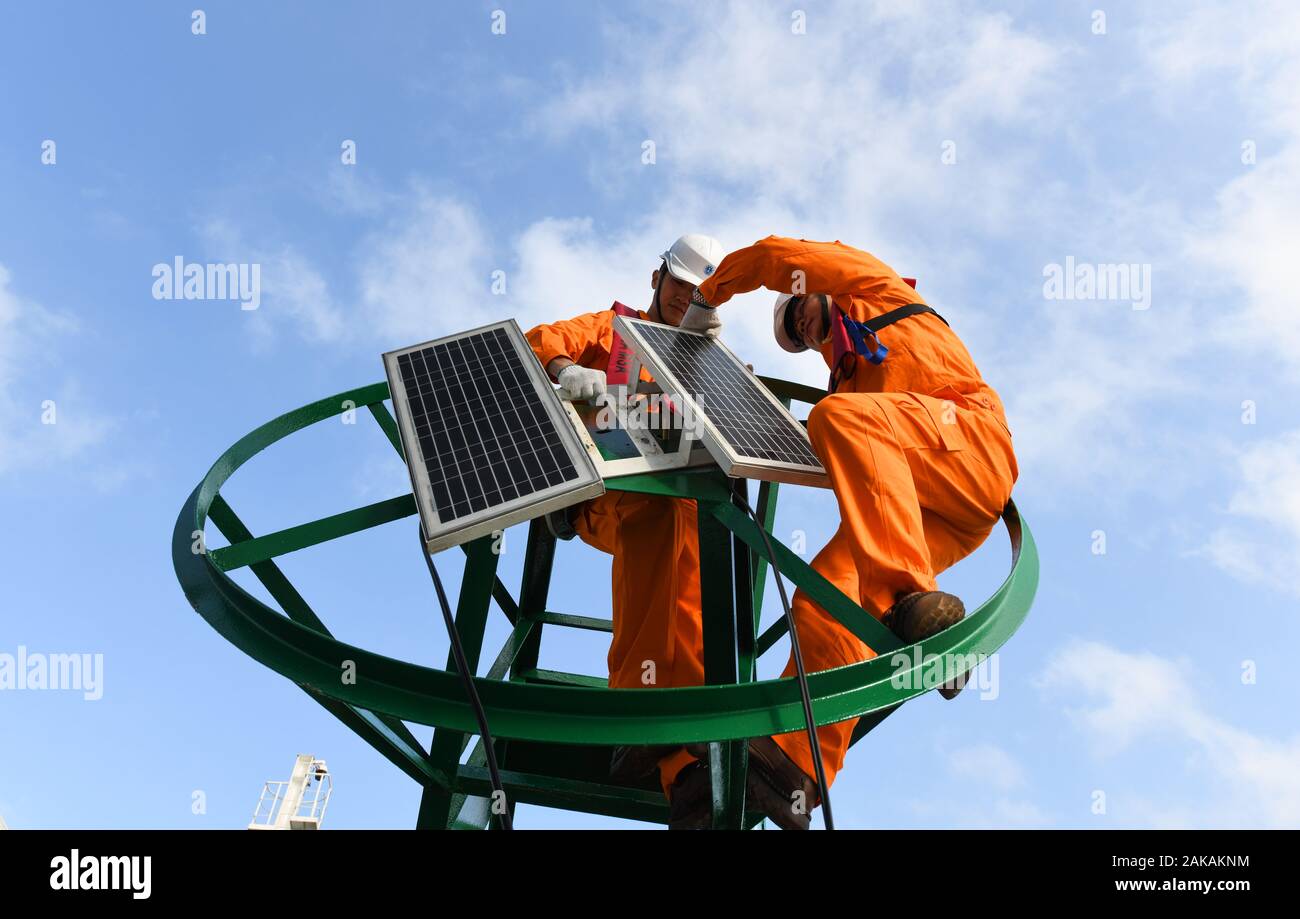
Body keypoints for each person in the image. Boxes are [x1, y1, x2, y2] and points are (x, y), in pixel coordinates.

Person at [676, 235, 1019, 829]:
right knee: (824, 599)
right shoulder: (851, 385)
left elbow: (780, 254)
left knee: (836, 418)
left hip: (971, 446)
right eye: (797, 335)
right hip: (932, 512)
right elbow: (874, 480)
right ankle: (793, 766)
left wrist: (709, 296)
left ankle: (917, 605)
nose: (802, 325)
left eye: (798, 310)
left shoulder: (872, 287)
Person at [524, 234, 725, 829]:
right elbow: (543, 341)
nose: (684, 299)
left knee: (699, 550)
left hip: (675, 499)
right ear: (656, 277)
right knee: (656, 520)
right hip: (602, 494)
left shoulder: (705, 358)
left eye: (699, 294)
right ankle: (639, 709)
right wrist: (567, 371)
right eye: (680, 285)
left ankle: (687, 761)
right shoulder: (611, 325)